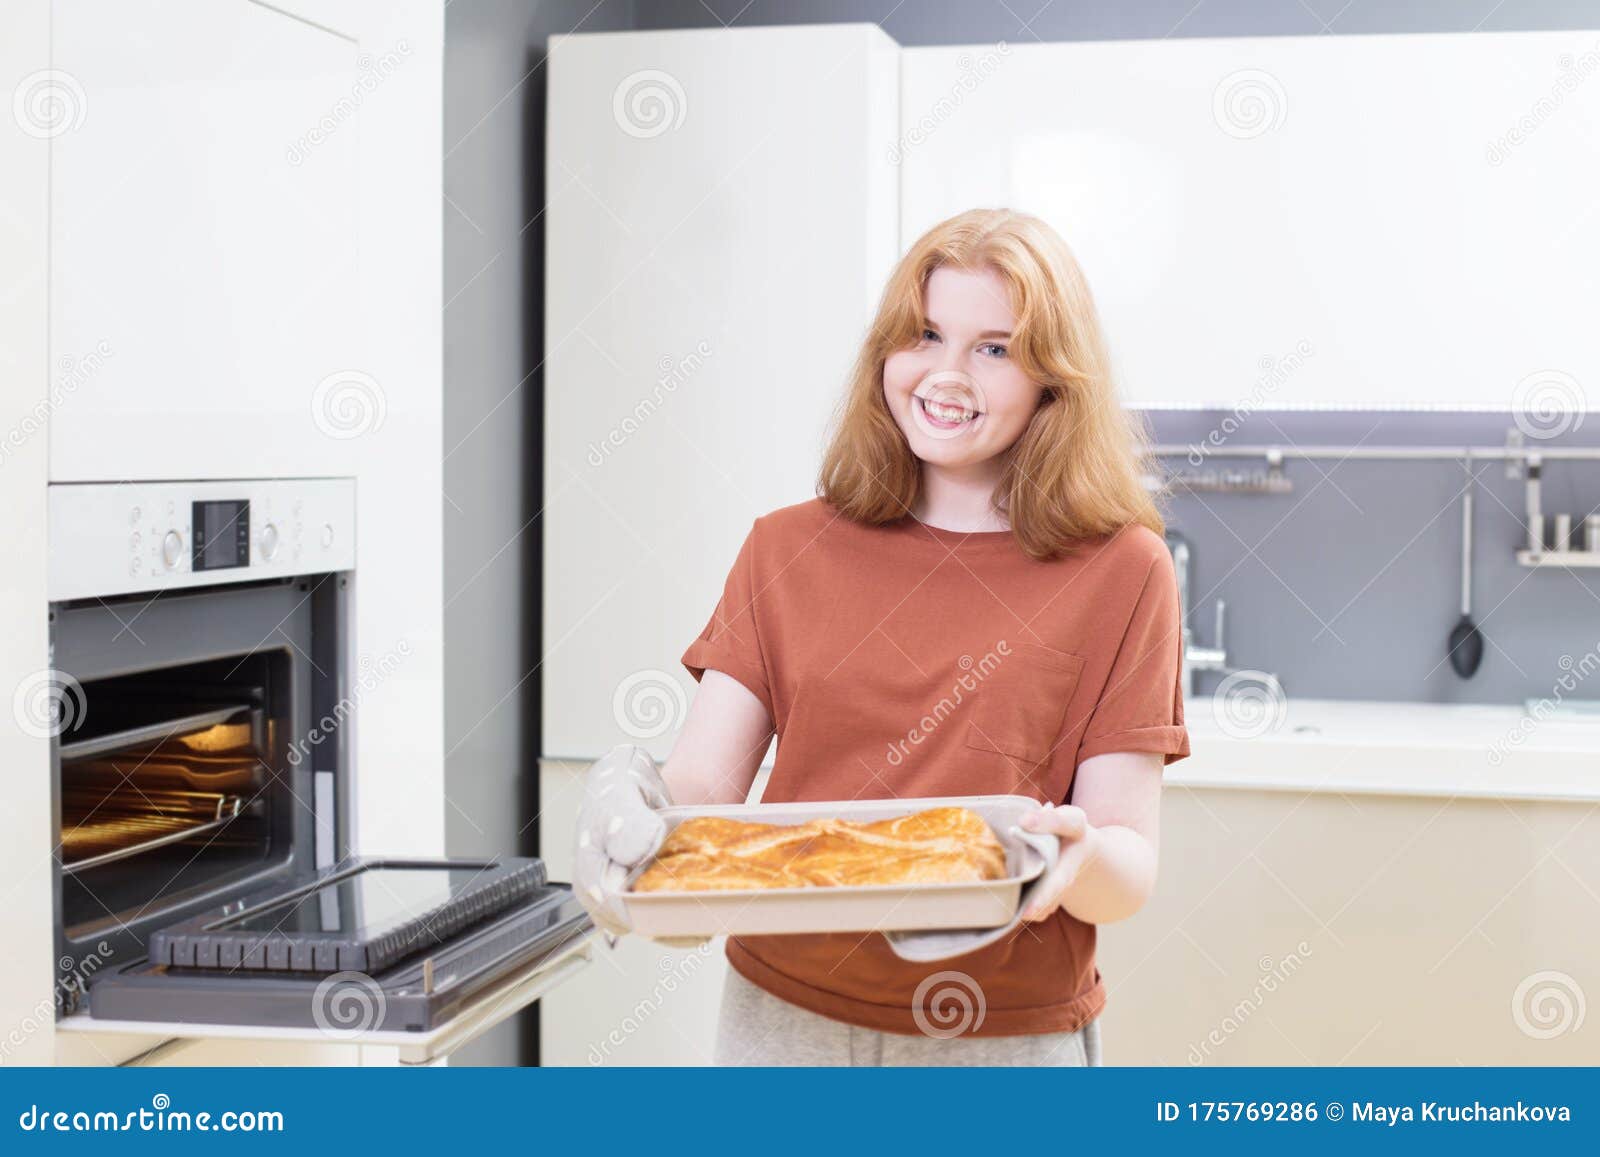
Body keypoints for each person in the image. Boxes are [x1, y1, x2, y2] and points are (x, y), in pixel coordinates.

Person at [574, 207, 1191, 1066]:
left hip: (1004, 1042)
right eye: (924, 334)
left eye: (994, 347)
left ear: (1054, 378)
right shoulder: (785, 548)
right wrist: (633, 809)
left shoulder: (1125, 570)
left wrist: (1071, 860)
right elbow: (703, 788)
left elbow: (1127, 868)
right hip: (781, 1025)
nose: (945, 373)